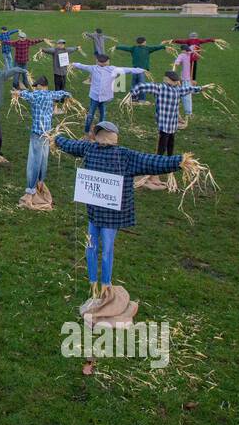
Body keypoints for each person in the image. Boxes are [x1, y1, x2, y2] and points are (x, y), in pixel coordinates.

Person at [55, 121, 184, 305]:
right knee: (97, 249)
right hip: (100, 213)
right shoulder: (104, 151)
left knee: (99, 249)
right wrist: (58, 139)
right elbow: (153, 161)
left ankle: (103, 287)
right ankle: (96, 287)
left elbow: (153, 162)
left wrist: (178, 162)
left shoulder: (111, 153)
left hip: (103, 215)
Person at [130, 72, 205, 188]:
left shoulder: (177, 90)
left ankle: (169, 169)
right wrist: (133, 94)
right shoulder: (159, 88)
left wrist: (200, 89)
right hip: (163, 126)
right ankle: (154, 174)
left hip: (172, 126)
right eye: (174, 81)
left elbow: (188, 89)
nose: (176, 83)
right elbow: (142, 86)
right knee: (160, 151)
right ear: (166, 79)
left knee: (170, 149)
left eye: (176, 81)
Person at [14, 76, 71, 210]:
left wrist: (17, 93)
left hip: (37, 134)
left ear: (41, 85)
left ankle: (30, 191)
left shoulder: (36, 95)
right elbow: (64, 93)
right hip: (48, 134)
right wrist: (68, 95)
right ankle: (40, 184)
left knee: (33, 162)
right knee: (43, 160)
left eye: (37, 85)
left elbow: (23, 94)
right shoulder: (52, 95)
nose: (36, 87)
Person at [70, 54, 147, 135]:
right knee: (91, 114)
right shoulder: (94, 68)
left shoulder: (111, 69)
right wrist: (74, 64)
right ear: (105, 62)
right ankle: (86, 131)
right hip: (95, 96)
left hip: (104, 97)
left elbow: (127, 70)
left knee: (102, 115)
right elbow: (82, 66)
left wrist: (140, 70)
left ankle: (100, 131)